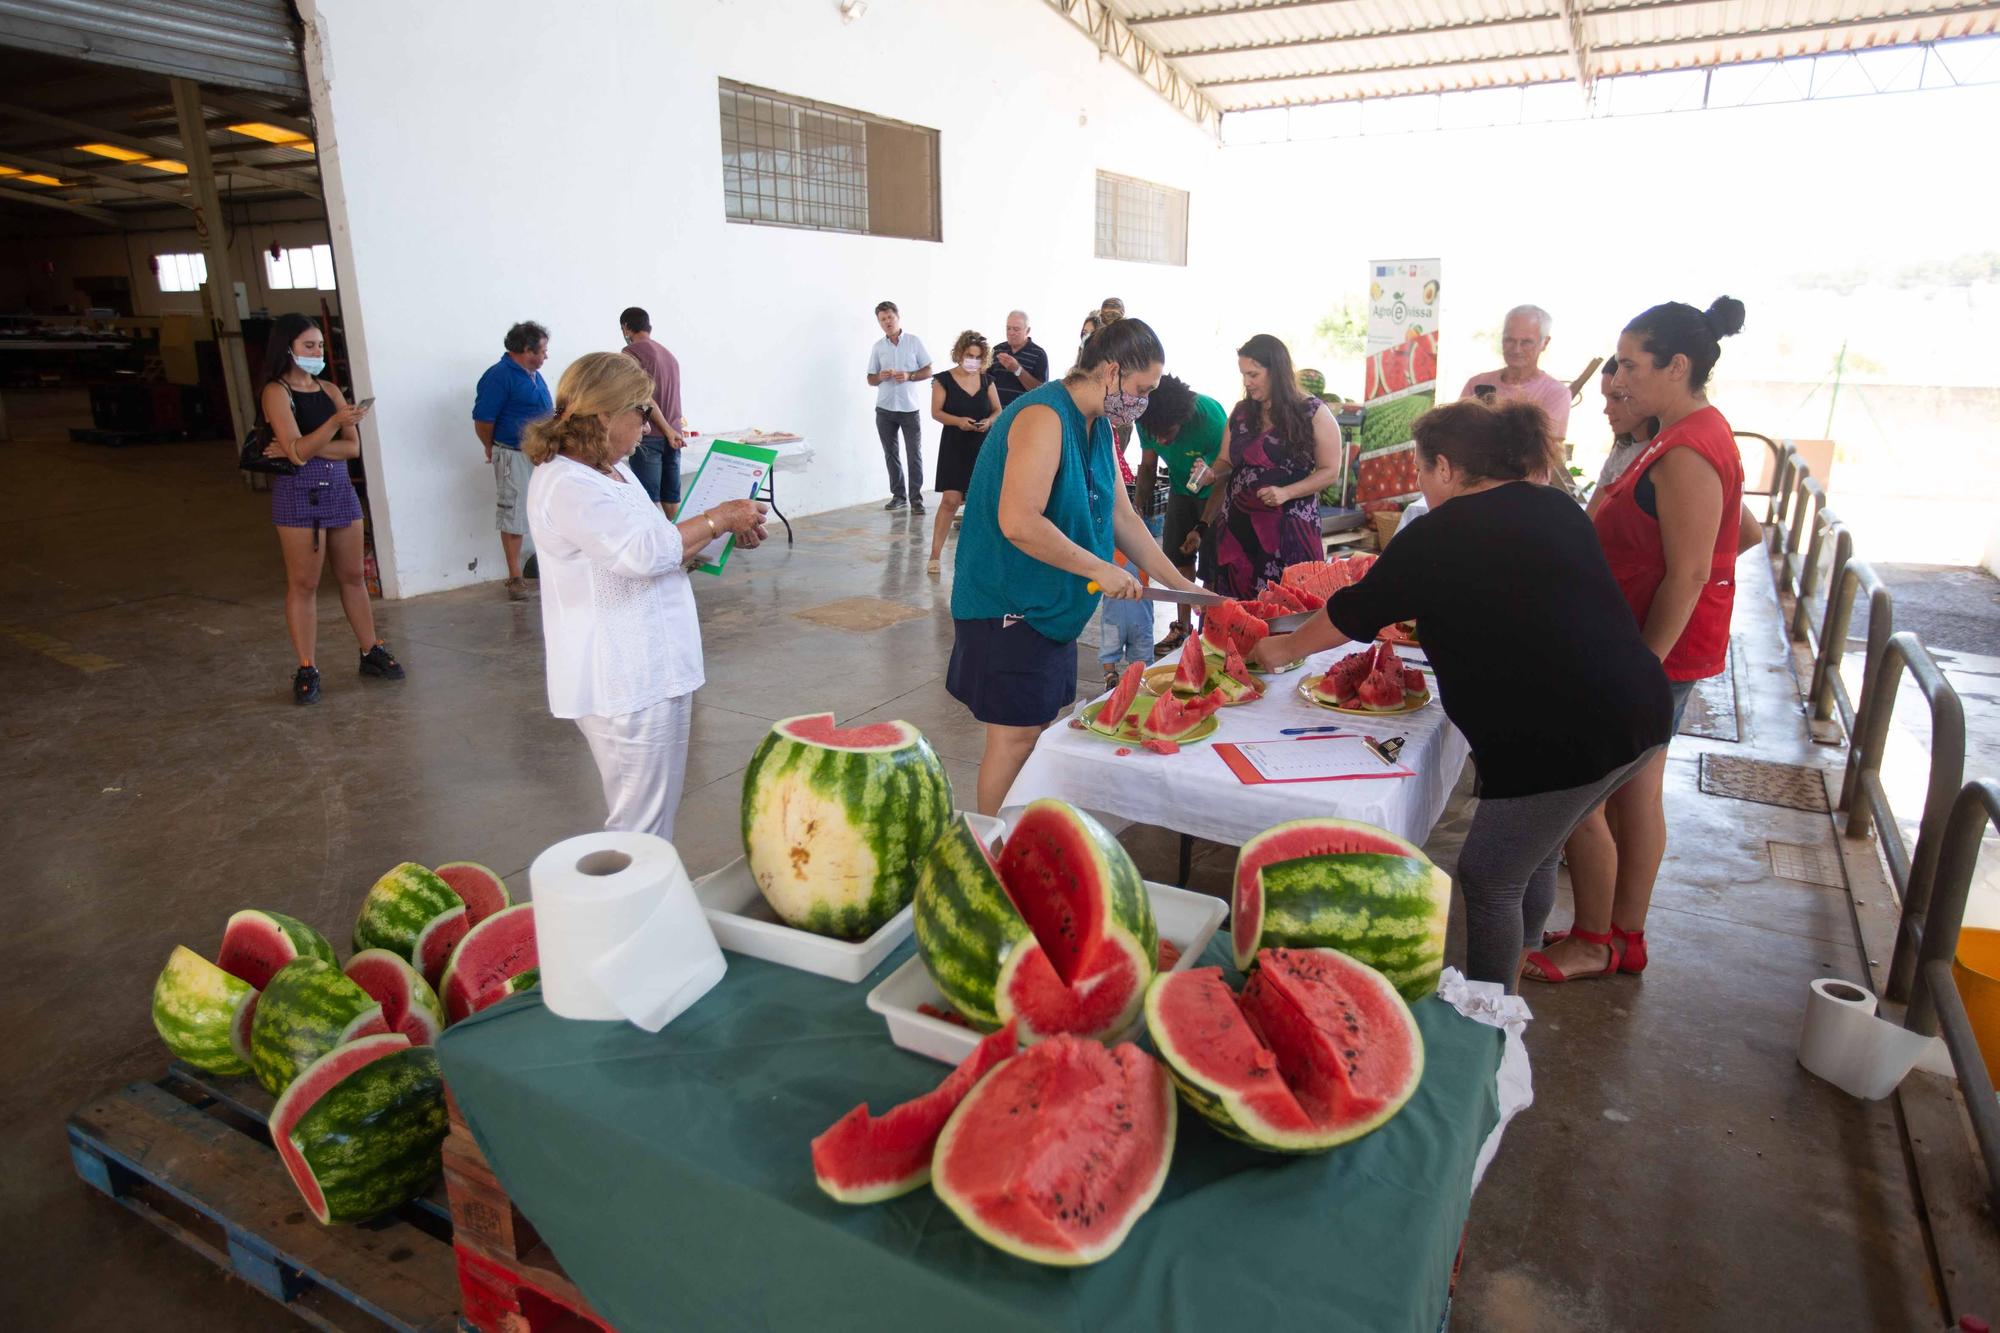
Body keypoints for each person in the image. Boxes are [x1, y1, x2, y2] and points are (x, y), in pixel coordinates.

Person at [1248, 399, 1673, 989]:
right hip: (1640, 710)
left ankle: (1490, 1018)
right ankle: (1522, 951)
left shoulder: (1441, 532)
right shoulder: (1555, 505)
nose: (1422, 484)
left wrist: (1279, 650)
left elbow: (1355, 611)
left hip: (1566, 736)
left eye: (1423, 471)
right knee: (1539, 851)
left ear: (1446, 468)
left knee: (1489, 875)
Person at [1527, 297, 1750, 983]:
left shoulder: (1688, 447)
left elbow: (1686, 572)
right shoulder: (1676, 433)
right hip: (1640, 650)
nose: (1616, 378)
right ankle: (1624, 934)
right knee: (1635, 792)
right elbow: (1732, 537)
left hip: (1650, 656)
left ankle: (1596, 938)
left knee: (1585, 796)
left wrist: (1642, 669)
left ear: (1676, 365)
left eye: (1629, 363)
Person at [948, 318, 1199, 815]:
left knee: (1037, 732)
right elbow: (1018, 520)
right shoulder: (1043, 416)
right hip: (1009, 604)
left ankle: (1018, 840)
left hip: (1052, 606)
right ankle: (992, 854)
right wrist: (1100, 570)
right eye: (1141, 389)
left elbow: (1123, 518)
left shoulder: (1101, 424)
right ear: (1110, 372)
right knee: (1014, 740)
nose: (1143, 402)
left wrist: (1183, 586)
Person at [523, 352, 768, 842]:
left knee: (654, 817)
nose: (647, 426)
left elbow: (661, 543)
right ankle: (627, 911)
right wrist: (718, 518)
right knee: (639, 824)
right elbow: (639, 553)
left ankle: (645, 905)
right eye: (641, 413)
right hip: (622, 675)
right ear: (605, 414)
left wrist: (713, 538)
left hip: (655, 666)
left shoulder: (612, 471)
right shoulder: (566, 483)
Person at [259, 314, 403, 705]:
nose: (317, 352)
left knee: (353, 575)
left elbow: (349, 448)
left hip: (338, 489)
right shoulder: (277, 392)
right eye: (309, 346)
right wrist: (329, 427)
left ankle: (370, 649)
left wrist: (302, 446)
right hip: (298, 496)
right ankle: (307, 666)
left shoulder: (330, 389)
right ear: (288, 348)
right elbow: (298, 453)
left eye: (320, 345)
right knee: (303, 584)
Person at [1203, 334, 1344, 598]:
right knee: (1236, 616)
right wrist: (1211, 473)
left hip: (1289, 533)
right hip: (1237, 531)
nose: (1247, 382)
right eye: (1243, 374)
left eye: (1253, 374)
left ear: (1276, 371)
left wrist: (1287, 492)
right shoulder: (1242, 411)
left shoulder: (1313, 413)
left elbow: (1330, 471)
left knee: (1286, 611)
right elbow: (1227, 461)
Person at [1135, 374, 1228, 654]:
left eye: (1168, 434)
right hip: (1180, 489)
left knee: (1211, 566)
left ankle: (1208, 632)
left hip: (1214, 492)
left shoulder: (1210, 418)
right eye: (1157, 436)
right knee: (1178, 559)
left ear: (1183, 420)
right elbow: (1148, 467)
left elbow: (1224, 476)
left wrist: (1202, 527)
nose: (1162, 440)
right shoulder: (1147, 419)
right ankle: (1182, 628)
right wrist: (1137, 508)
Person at [472, 321, 554, 600]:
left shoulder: (533, 374)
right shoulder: (499, 376)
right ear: (526, 350)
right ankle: (515, 577)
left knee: (543, 511)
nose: (546, 356)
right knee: (514, 513)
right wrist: (491, 447)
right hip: (513, 453)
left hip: (539, 455)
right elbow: (483, 419)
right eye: (542, 351)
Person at [928, 330, 1002, 574]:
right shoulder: (942, 380)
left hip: (982, 445)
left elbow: (997, 410)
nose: (973, 361)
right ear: (959, 354)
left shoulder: (986, 381)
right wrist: (958, 421)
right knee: (950, 500)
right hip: (954, 443)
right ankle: (935, 555)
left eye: (978, 357)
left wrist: (989, 423)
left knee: (982, 502)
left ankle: (981, 556)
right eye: (969, 355)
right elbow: (936, 412)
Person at [1459, 305, 1572, 442]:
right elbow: (1459, 436)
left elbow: (1544, 451)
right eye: (1509, 340)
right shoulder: (1476, 384)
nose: (1516, 349)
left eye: (1526, 342)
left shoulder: (1556, 394)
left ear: (1545, 343)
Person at [618, 306, 685, 517]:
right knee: (671, 498)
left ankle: (657, 549)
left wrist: (664, 429)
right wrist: (671, 431)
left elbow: (641, 397)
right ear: (649, 327)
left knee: (649, 501)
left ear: (626, 328)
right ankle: (680, 547)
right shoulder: (669, 356)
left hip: (651, 435)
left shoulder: (630, 353)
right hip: (675, 435)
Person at [866, 300, 931, 512]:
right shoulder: (878, 347)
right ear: (879, 322)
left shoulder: (913, 342)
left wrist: (909, 375)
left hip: (909, 409)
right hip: (884, 409)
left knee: (914, 454)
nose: (887, 322)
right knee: (890, 453)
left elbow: (928, 370)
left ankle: (916, 499)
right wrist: (880, 376)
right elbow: (870, 378)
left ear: (897, 317)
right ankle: (898, 495)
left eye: (890, 318)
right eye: (882, 319)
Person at [989, 310, 1048, 408]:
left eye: (1016, 329)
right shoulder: (997, 349)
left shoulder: (1039, 354)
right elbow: (987, 383)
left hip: (1022, 415)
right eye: (1008, 328)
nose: (1011, 333)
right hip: (996, 415)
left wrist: (1017, 370)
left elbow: (1041, 391)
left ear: (1027, 331)